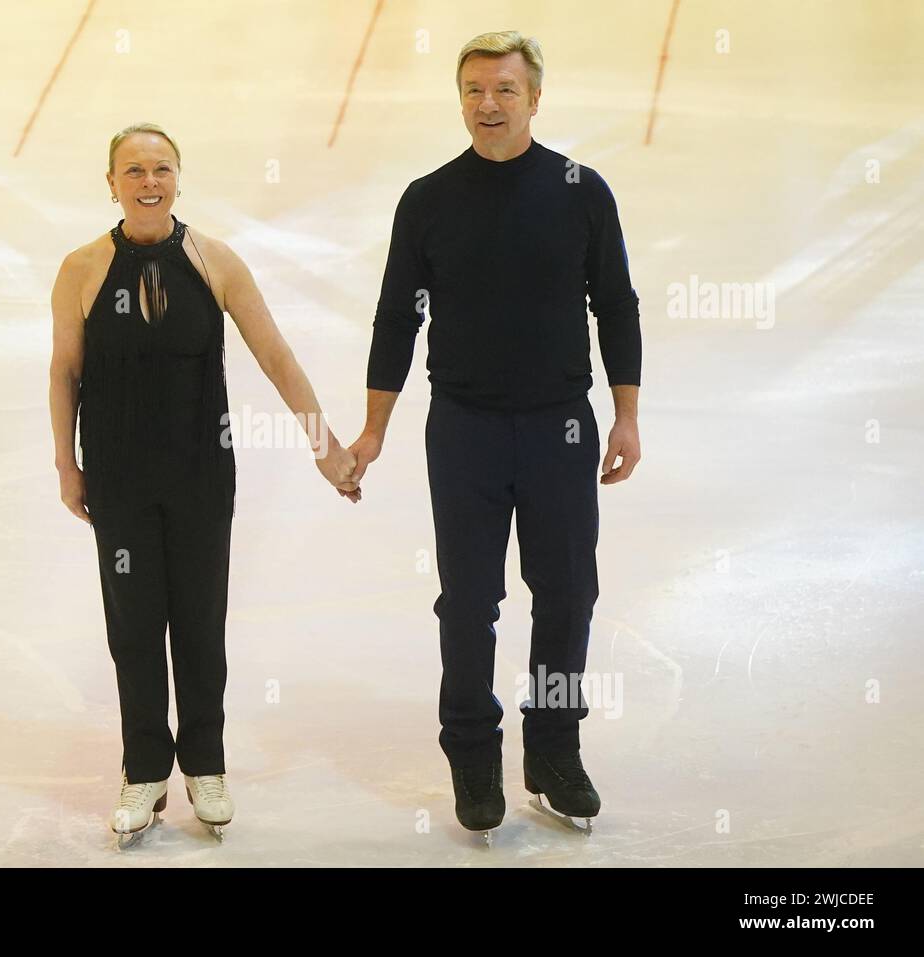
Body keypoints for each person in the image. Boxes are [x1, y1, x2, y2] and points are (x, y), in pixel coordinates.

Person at [346, 31, 643, 833]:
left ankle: (553, 749)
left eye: (506, 89)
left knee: (569, 594)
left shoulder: (582, 191)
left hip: (562, 430)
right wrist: (373, 431)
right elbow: (395, 319)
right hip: (466, 430)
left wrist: (627, 414)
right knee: (470, 602)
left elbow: (615, 303)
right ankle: (473, 758)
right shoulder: (430, 198)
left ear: (535, 99)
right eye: (475, 89)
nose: (489, 104)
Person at [49, 123, 359, 841]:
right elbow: (64, 371)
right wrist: (68, 463)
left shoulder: (215, 262)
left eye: (160, 168)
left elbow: (275, 353)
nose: (148, 182)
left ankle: (206, 762)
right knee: (134, 626)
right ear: (112, 183)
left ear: (179, 178)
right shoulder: (83, 268)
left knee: (197, 620)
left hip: (199, 475)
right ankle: (144, 769)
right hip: (120, 479)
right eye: (134, 170)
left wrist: (324, 446)